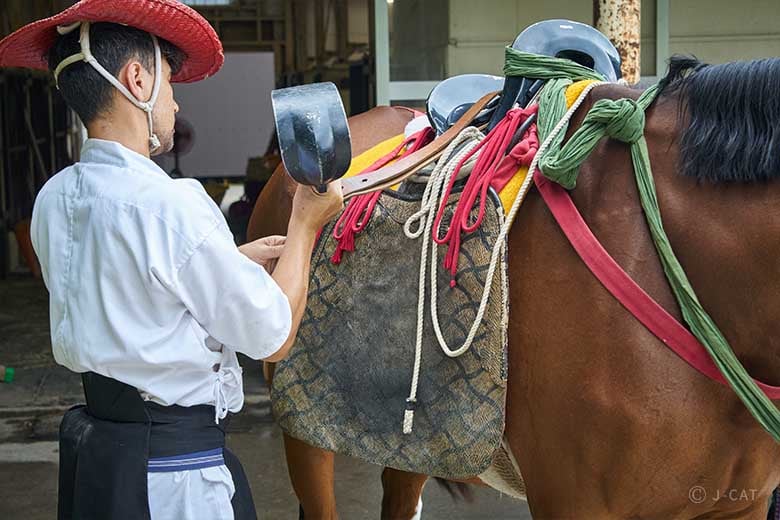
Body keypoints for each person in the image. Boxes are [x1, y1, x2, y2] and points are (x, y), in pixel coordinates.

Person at [0, 1, 343, 519]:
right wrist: (303, 225)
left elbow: (129, 297)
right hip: (175, 483)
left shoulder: (54, 198)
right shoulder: (172, 204)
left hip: (101, 469)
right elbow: (273, 338)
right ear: (137, 80)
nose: (177, 106)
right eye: (171, 86)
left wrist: (227, 262)